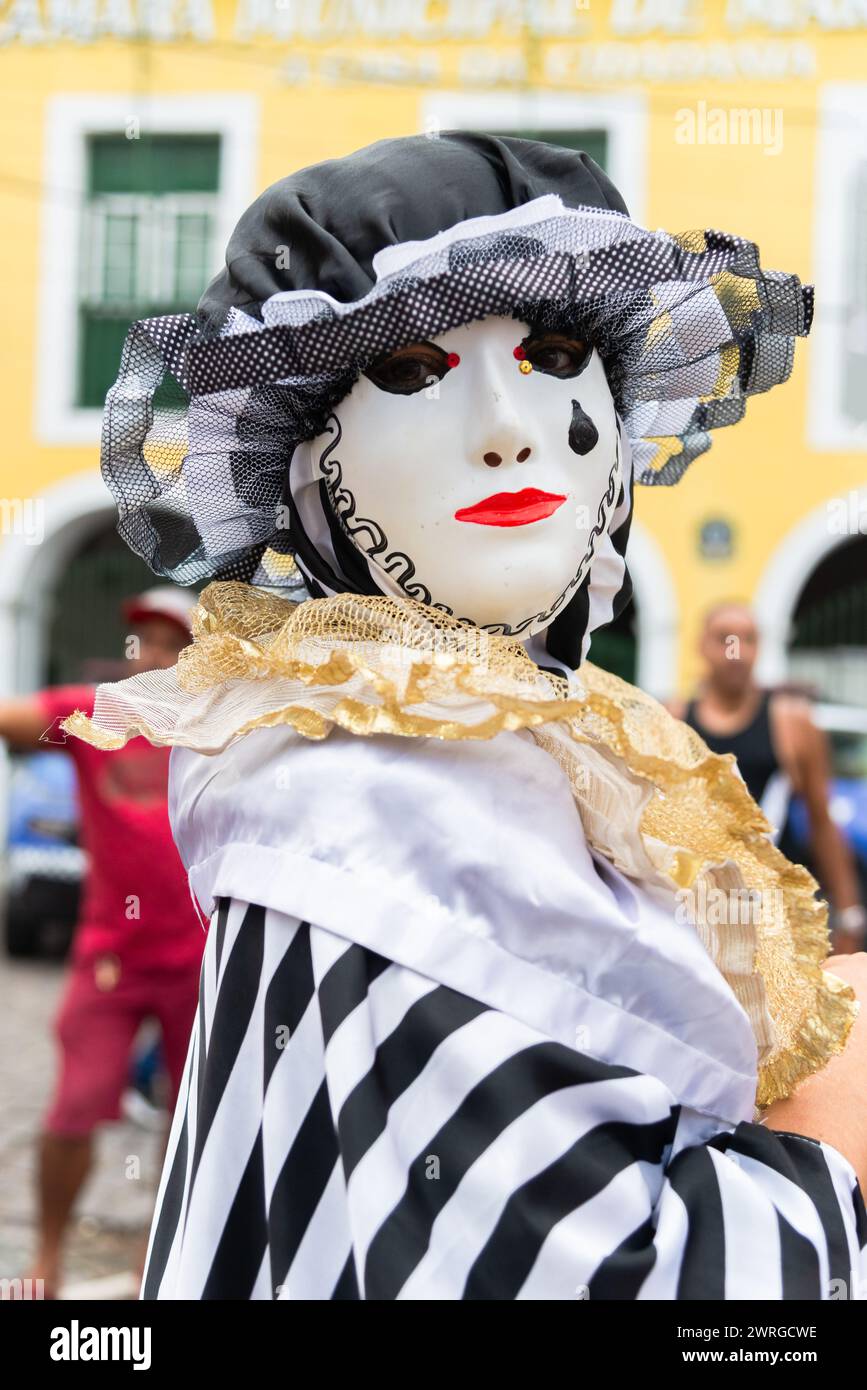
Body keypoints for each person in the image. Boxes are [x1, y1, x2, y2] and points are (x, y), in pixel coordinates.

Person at [67, 134, 866, 1300]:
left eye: (552, 354)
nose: (506, 422)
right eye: (410, 369)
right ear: (299, 470)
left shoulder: (524, 761)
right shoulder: (358, 803)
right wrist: (839, 1126)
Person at [0, 586, 205, 1298]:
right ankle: (48, 1260)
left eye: (173, 643)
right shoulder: (96, 716)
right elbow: (14, 721)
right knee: (74, 1106)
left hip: (202, 962)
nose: (154, 655)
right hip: (111, 957)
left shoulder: (223, 724)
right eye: (144, 642)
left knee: (193, 1120)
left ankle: (161, 1261)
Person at [670, 601, 866, 956]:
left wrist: (850, 915)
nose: (737, 652)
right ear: (701, 646)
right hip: (696, 908)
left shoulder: (792, 723)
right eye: (725, 639)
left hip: (773, 909)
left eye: (748, 640)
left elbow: (822, 823)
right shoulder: (674, 721)